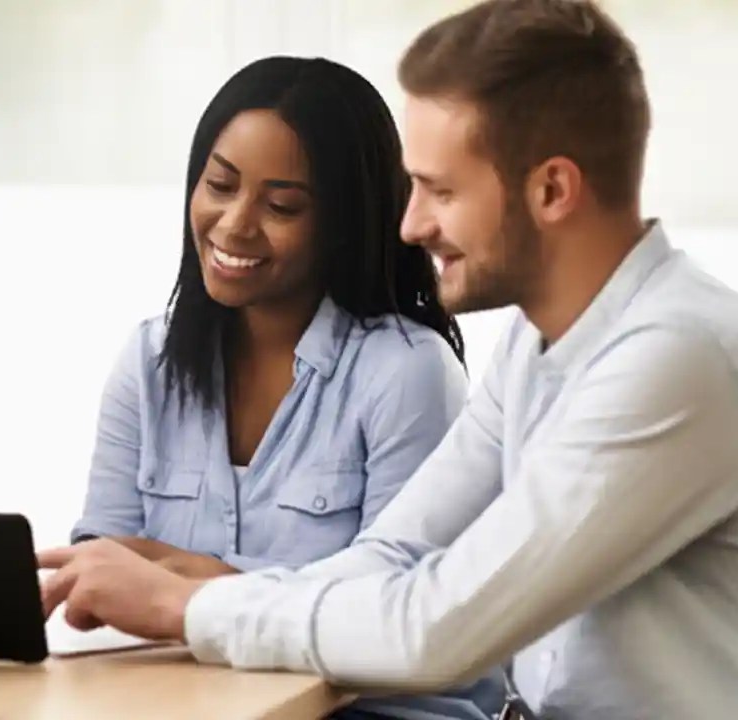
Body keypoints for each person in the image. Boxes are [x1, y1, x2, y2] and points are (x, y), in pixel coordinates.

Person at [38, 2, 738, 719]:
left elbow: (434, 628)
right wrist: (197, 597)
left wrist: (188, 606)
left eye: (441, 190)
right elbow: (388, 557)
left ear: (551, 191)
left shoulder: (677, 359)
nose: (411, 224)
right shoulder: (534, 351)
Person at [70, 56, 502, 718]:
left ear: (345, 222)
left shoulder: (406, 371)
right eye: (220, 185)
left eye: (281, 205)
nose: (236, 224)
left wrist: (206, 585)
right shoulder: (148, 361)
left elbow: (396, 618)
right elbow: (98, 581)